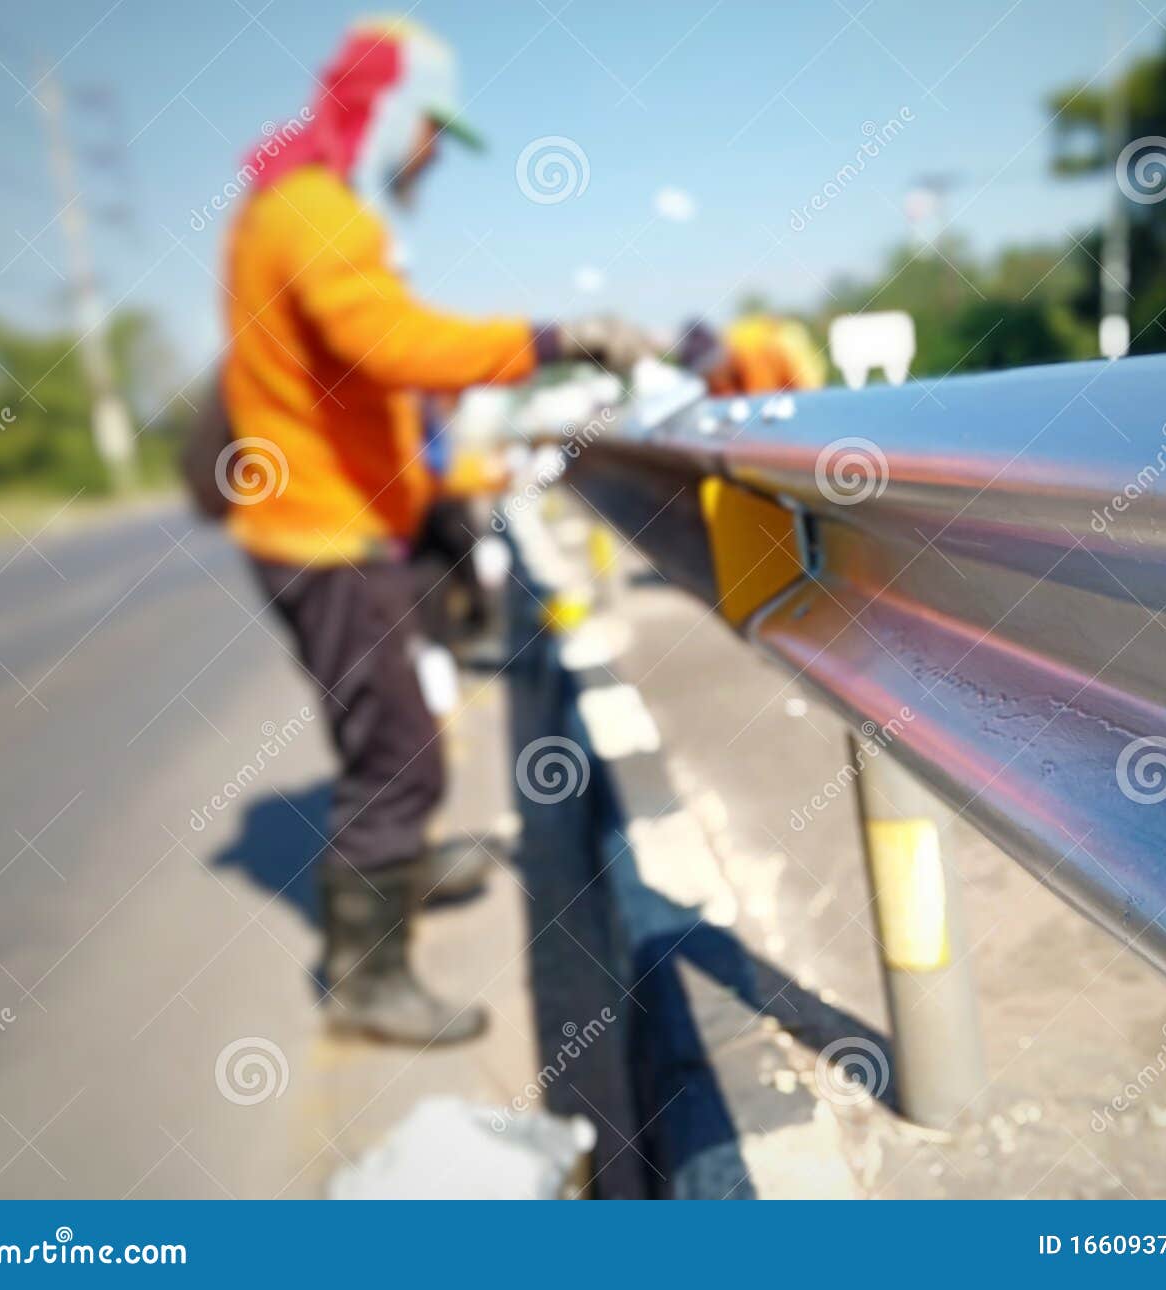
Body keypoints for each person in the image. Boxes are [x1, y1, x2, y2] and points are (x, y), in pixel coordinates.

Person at [219, 17, 647, 1046]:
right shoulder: (315, 212)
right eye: (429, 129)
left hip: (350, 524)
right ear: (388, 113)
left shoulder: (304, 204)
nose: (433, 154)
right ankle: (366, 981)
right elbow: (391, 345)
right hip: (323, 534)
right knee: (399, 753)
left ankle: (404, 866)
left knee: (392, 719)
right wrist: (555, 338)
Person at [678, 314, 827, 395]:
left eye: (711, 375)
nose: (713, 383)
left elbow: (763, 401)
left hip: (796, 366)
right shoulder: (721, 376)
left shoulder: (753, 351)